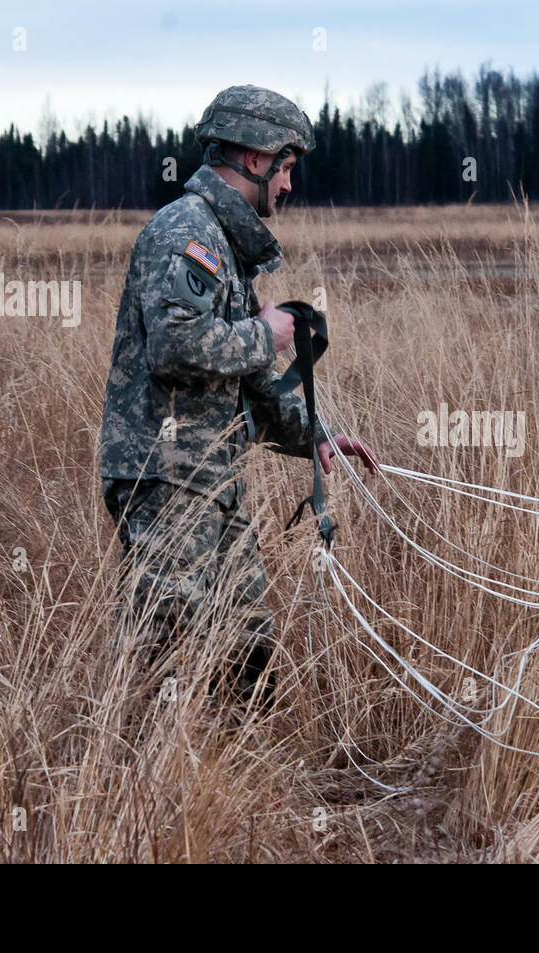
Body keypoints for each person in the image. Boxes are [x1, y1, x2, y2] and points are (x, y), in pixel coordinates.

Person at [98, 85, 379, 709]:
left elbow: (249, 383)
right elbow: (173, 345)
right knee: (165, 662)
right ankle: (137, 795)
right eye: (287, 168)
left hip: (211, 485)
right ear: (254, 158)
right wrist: (266, 332)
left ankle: (227, 794)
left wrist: (318, 437)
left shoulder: (227, 247)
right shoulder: (186, 233)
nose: (289, 186)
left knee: (245, 655)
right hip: (166, 480)